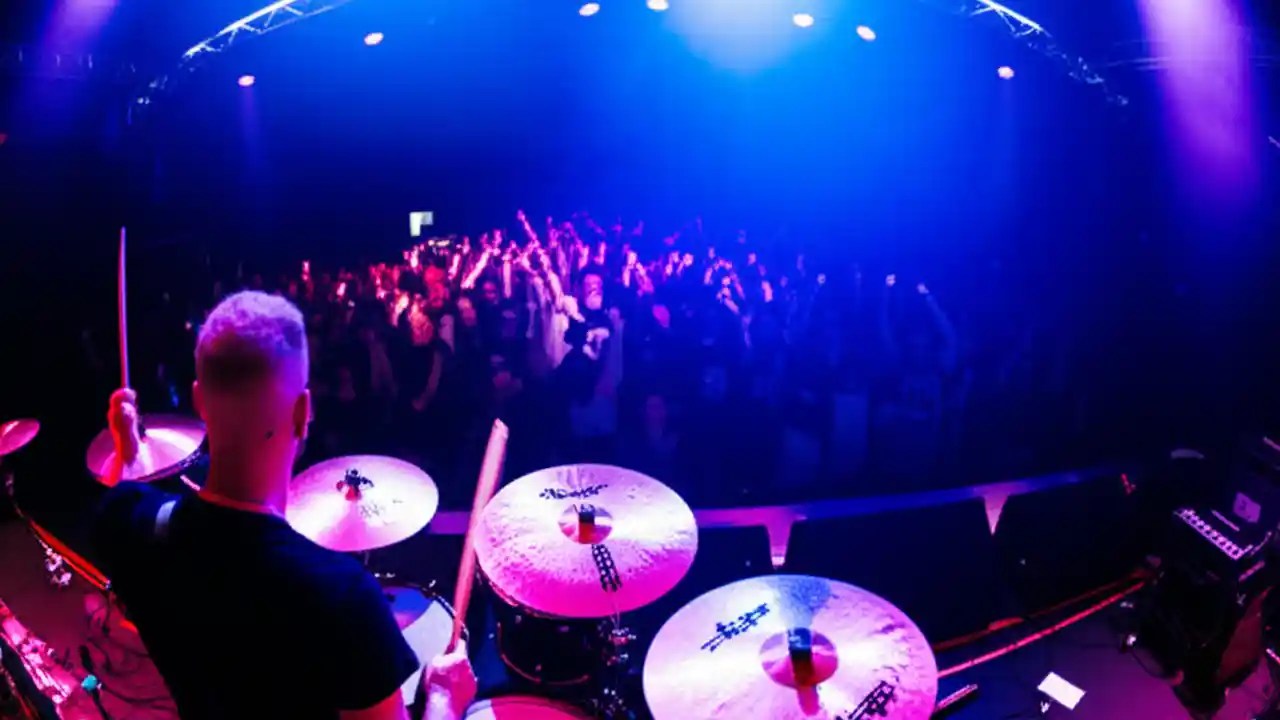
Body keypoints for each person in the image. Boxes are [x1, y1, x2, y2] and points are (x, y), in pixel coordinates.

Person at [92, 291, 476, 720]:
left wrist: (127, 447)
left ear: (199, 401)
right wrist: (444, 697)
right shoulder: (342, 598)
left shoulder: (133, 526)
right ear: (303, 412)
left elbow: (119, 495)